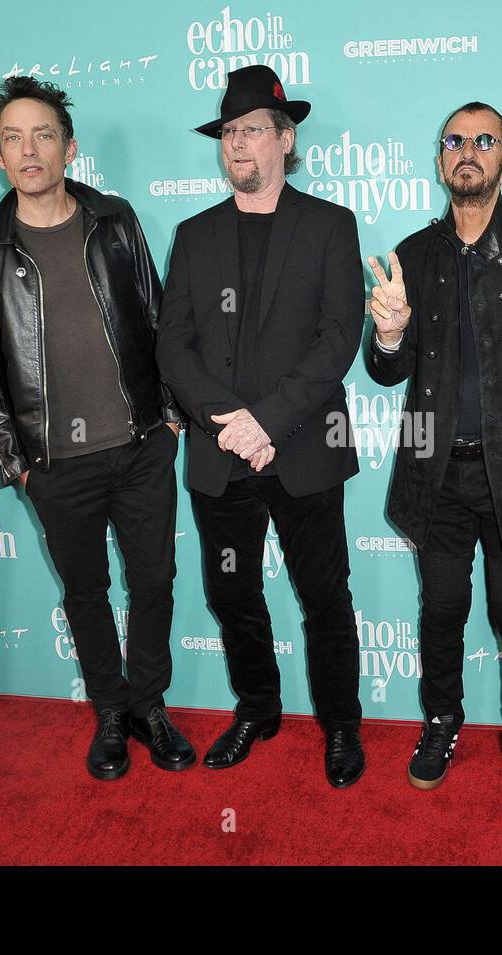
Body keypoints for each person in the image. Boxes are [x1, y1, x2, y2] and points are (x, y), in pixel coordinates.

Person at [0, 76, 191, 780]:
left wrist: (172, 415)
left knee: (154, 580)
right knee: (85, 591)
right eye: (13, 138)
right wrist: (18, 461)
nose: (29, 150)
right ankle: (111, 714)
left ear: (69, 146)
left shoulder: (114, 219)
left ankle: (150, 706)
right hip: (55, 462)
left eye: (44, 134)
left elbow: (157, 317)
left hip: (142, 443)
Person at [365, 102, 502, 828]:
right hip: (436, 476)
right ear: (440, 163)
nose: (468, 150)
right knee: (441, 609)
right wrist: (391, 334)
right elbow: (385, 371)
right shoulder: (413, 255)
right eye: (454, 141)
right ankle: (442, 720)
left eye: (484, 140)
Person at [156, 65, 366, 788]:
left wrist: (268, 420)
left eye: (251, 130)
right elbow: (171, 344)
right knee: (233, 592)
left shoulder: (331, 225)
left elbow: (339, 338)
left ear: (285, 137)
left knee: (324, 594)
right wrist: (229, 424)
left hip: (303, 445)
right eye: (228, 132)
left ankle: (342, 723)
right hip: (222, 454)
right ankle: (259, 707)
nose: (236, 143)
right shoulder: (192, 234)